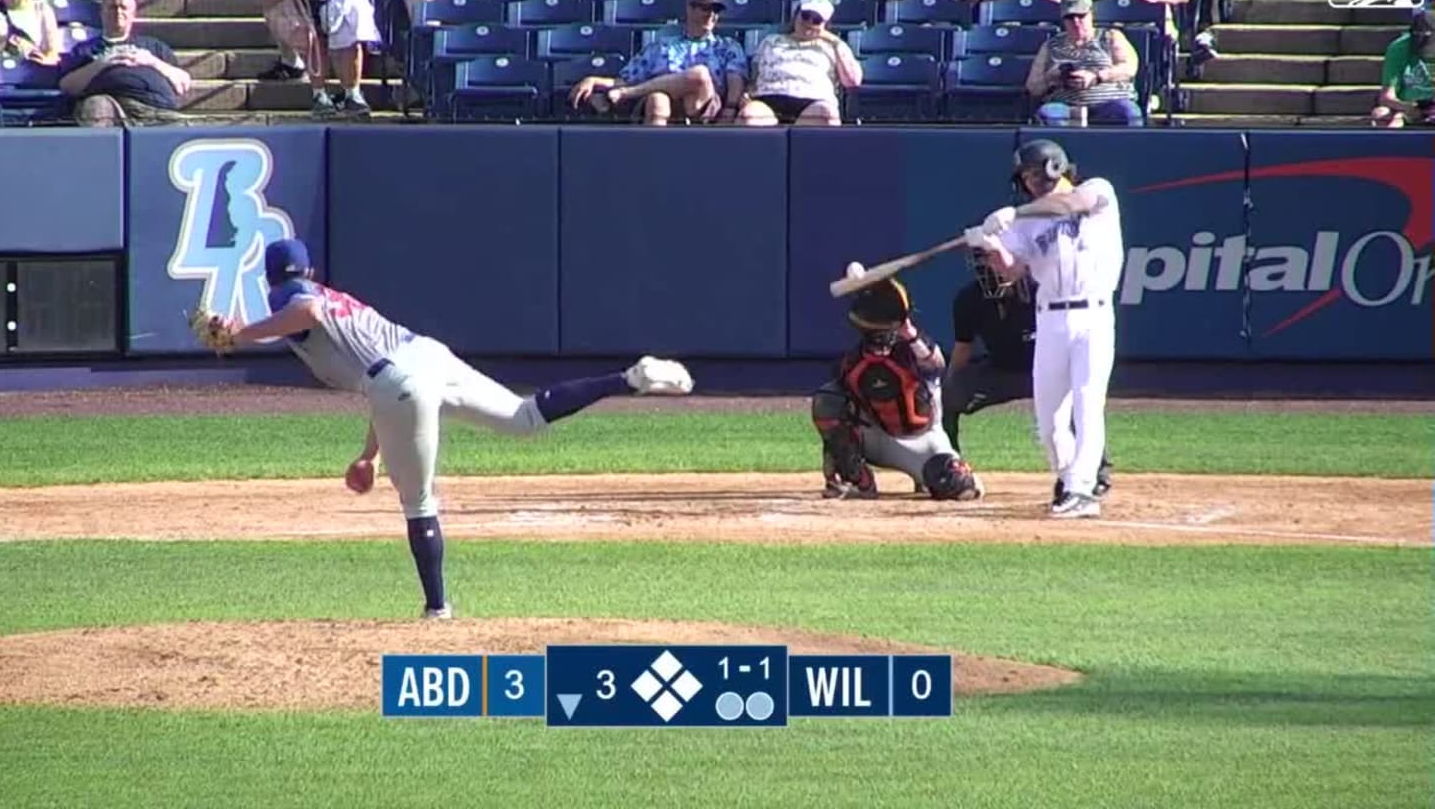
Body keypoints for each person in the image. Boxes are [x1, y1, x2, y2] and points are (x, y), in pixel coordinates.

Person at [210, 239, 697, 620]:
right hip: (426, 355)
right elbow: (388, 386)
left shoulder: (292, 295)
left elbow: (309, 315)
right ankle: (630, 378)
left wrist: (239, 333)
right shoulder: (334, 295)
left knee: (419, 502)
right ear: (312, 269)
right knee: (524, 418)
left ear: (272, 277)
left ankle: (437, 610)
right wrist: (371, 455)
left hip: (398, 377)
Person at [965, 139, 1122, 518]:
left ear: (1056, 167)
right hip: (1049, 318)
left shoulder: (1097, 191)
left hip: (1094, 315)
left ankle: (1082, 489)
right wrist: (988, 245)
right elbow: (1011, 270)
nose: (1031, 182)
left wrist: (1013, 214)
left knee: (1087, 404)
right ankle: (1069, 479)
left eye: (1035, 173)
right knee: (1049, 421)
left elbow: (1071, 205)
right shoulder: (1026, 222)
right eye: (1025, 177)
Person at [943, 248, 1111, 496]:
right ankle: (949, 467)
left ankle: (1096, 471)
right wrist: (949, 386)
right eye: (982, 261)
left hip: (1045, 368)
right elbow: (962, 349)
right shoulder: (969, 299)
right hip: (1001, 371)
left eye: (992, 258)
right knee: (948, 395)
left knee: (1080, 399)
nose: (988, 267)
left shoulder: (1042, 291)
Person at [811, 265, 984, 502]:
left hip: (926, 441)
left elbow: (936, 364)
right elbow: (835, 407)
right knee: (827, 402)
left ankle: (932, 475)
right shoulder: (853, 362)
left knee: (960, 487)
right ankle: (858, 481)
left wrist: (909, 331)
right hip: (881, 441)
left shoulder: (914, 352)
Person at [568, 0, 747, 126]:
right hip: (667, 105)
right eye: (705, 9)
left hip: (705, 109)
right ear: (690, 9)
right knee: (657, 99)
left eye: (715, 10)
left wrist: (730, 108)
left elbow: (735, 80)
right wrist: (593, 80)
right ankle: (651, 159)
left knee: (699, 75)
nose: (711, 15)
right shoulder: (662, 46)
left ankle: (627, 95)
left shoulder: (727, 46)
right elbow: (627, 78)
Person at [58, 0, 192, 126]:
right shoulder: (85, 49)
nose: (118, 12)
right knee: (95, 106)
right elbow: (67, 87)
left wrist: (152, 61)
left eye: (123, 7)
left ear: (133, 13)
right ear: (101, 12)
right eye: (112, 7)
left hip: (157, 111)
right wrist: (103, 62)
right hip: (113, 108)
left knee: (189, 133)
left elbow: (183, 84)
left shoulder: (154, 46)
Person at [1025, 0, 1144, 127]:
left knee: (1128, 112)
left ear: (1091, 14)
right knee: (1046, 114)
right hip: (1066, 104)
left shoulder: (1110, 36)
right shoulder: (1050, 45)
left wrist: (1097, 76)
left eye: (1081, 16)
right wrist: (1052, 77)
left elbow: (1129, 68)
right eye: (1070, 17)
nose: (1076, 22)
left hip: (1109, 101)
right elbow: (1032, 86)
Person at [738, 0, 862, 127]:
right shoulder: (772, 41)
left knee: (826, 115)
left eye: (817, 20)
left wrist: (835, 42)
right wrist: (747, 94)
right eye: (805, 16)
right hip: (769, 97)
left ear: (825, 24)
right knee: (749, 115)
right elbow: (756, 74)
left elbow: (852, 81)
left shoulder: (832, 47)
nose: (809, 23)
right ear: (796, 15)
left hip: (813, 102)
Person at [1371, 7, 1434, 129]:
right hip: (1408, 108)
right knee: (1381, 114)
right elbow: (1386, 97)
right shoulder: (1399, 47)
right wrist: (1407, 107)